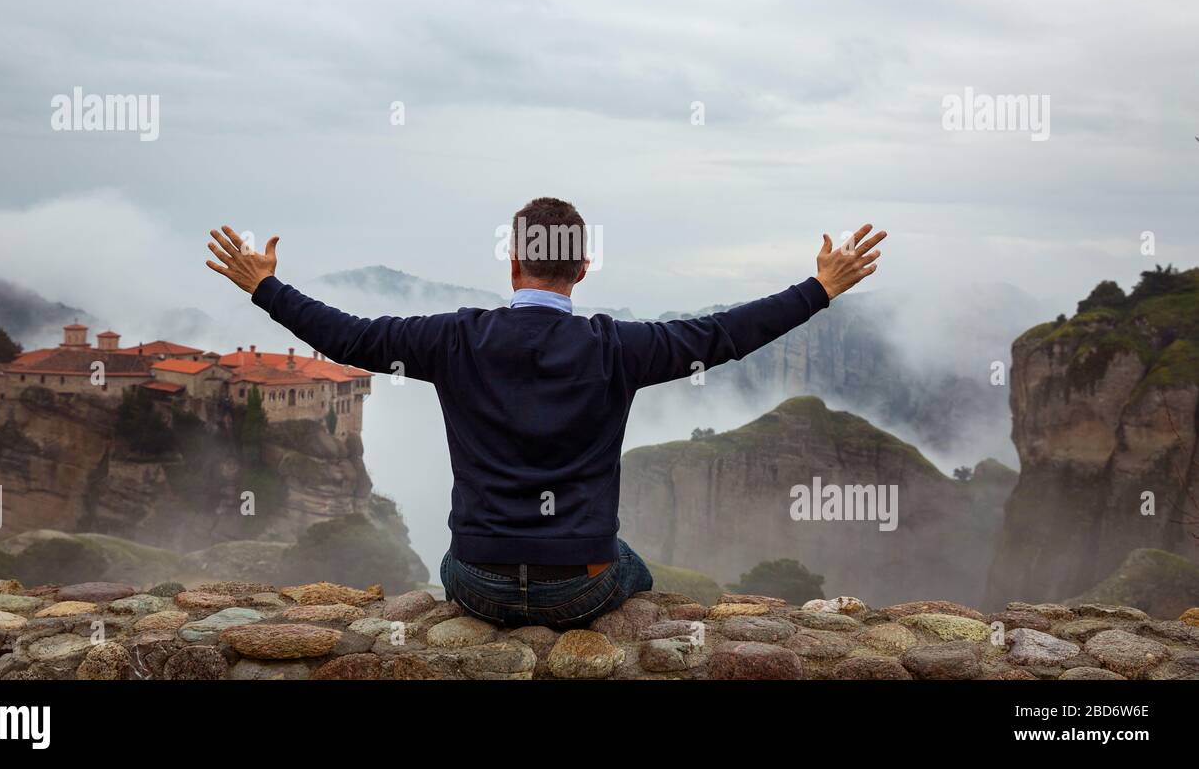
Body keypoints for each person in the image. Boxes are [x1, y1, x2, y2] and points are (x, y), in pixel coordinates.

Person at [206, 197, 885, 627]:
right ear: (582, 271)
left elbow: (348, 337)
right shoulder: (618, 347)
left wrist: (264, 285)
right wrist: (820, 288)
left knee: (471, 561)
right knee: (634, 567)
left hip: (476, 580)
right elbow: (721, 336)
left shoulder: (453, 339)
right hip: (582, 587)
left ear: (513, 265)